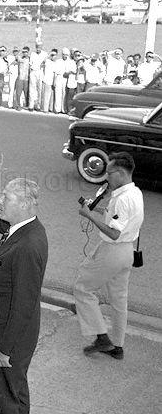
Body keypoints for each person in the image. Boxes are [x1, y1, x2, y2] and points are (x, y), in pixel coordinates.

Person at [0, 151, 48, 414]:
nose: (2, 201)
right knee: (5, 398)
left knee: (3, 402)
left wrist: (5, 349)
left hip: (5, 340)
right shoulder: (21, 228)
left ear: (26, 205)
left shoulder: (29, 245)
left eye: (7, 197)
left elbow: (24, 303)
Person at [74, 152, 144, 360]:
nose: (106, 177)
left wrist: (89, 215)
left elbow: (114, 232)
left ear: (121, 173)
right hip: (127, 252)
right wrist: (99, 208)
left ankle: (102, 338)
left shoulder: (122, 199)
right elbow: (121, 219)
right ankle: (118, 346)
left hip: (112, 251)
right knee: (119, 300)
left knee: (82, 288)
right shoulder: (135, 193)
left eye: (109, 172)